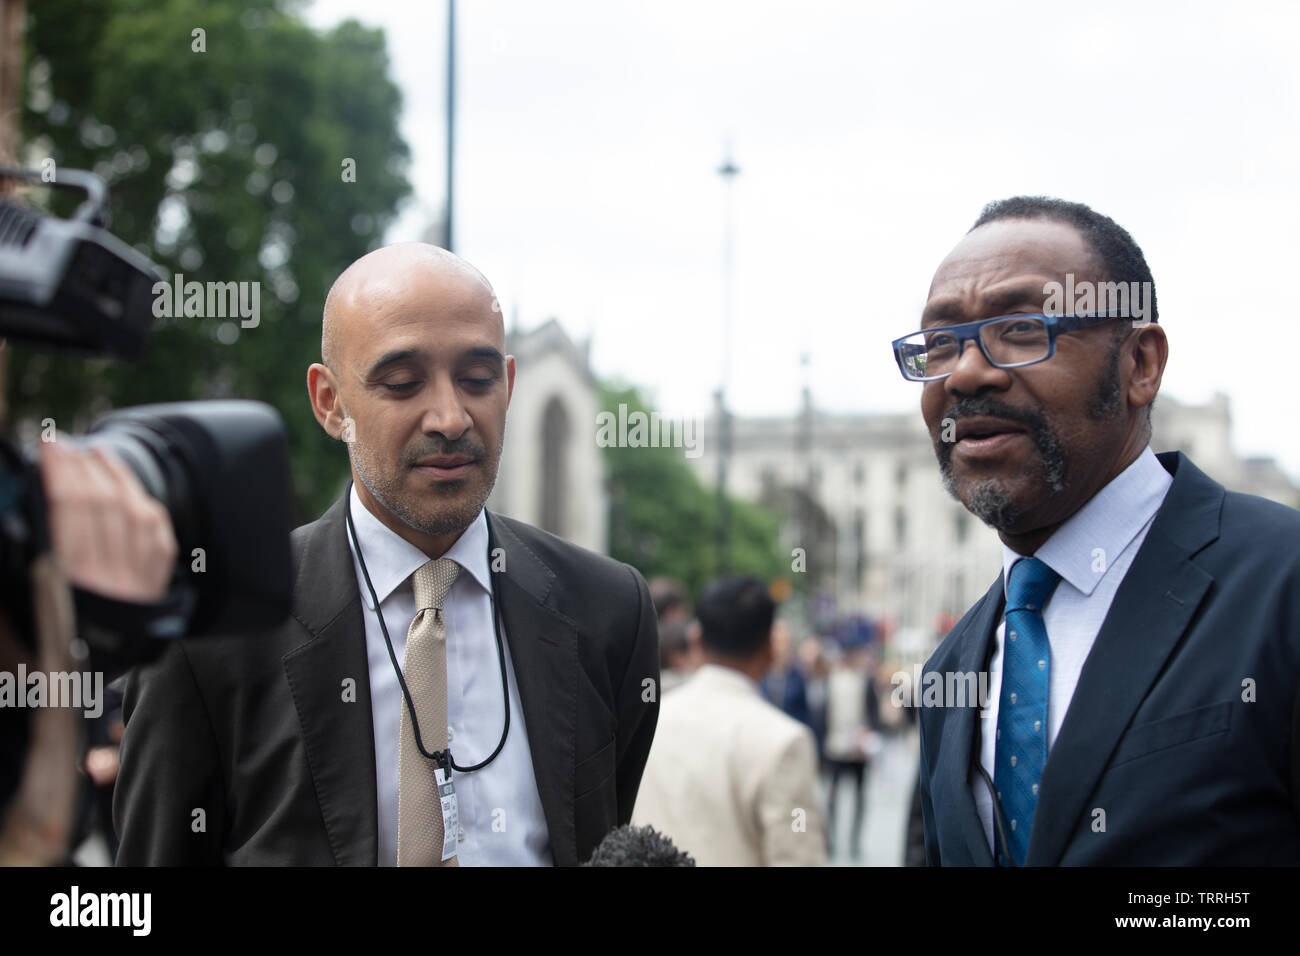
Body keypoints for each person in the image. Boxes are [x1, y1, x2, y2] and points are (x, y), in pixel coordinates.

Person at [114, 243, 660, 866]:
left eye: (478, 380)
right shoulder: (212, 629)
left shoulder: (610, 611)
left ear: (508, 386)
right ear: (330, 403)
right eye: (402, 383)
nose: (451, 417)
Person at [905, 196, 1300, 865]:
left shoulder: (1282, 583)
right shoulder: (952, 668)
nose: (967, 371)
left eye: (1024, 329)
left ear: (1140, 365)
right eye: (941, 343)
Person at [632, 576, 826, 866]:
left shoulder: (650, 720)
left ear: (696, 640)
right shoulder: (784, 741)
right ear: (771, 646)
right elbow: (796, 857)